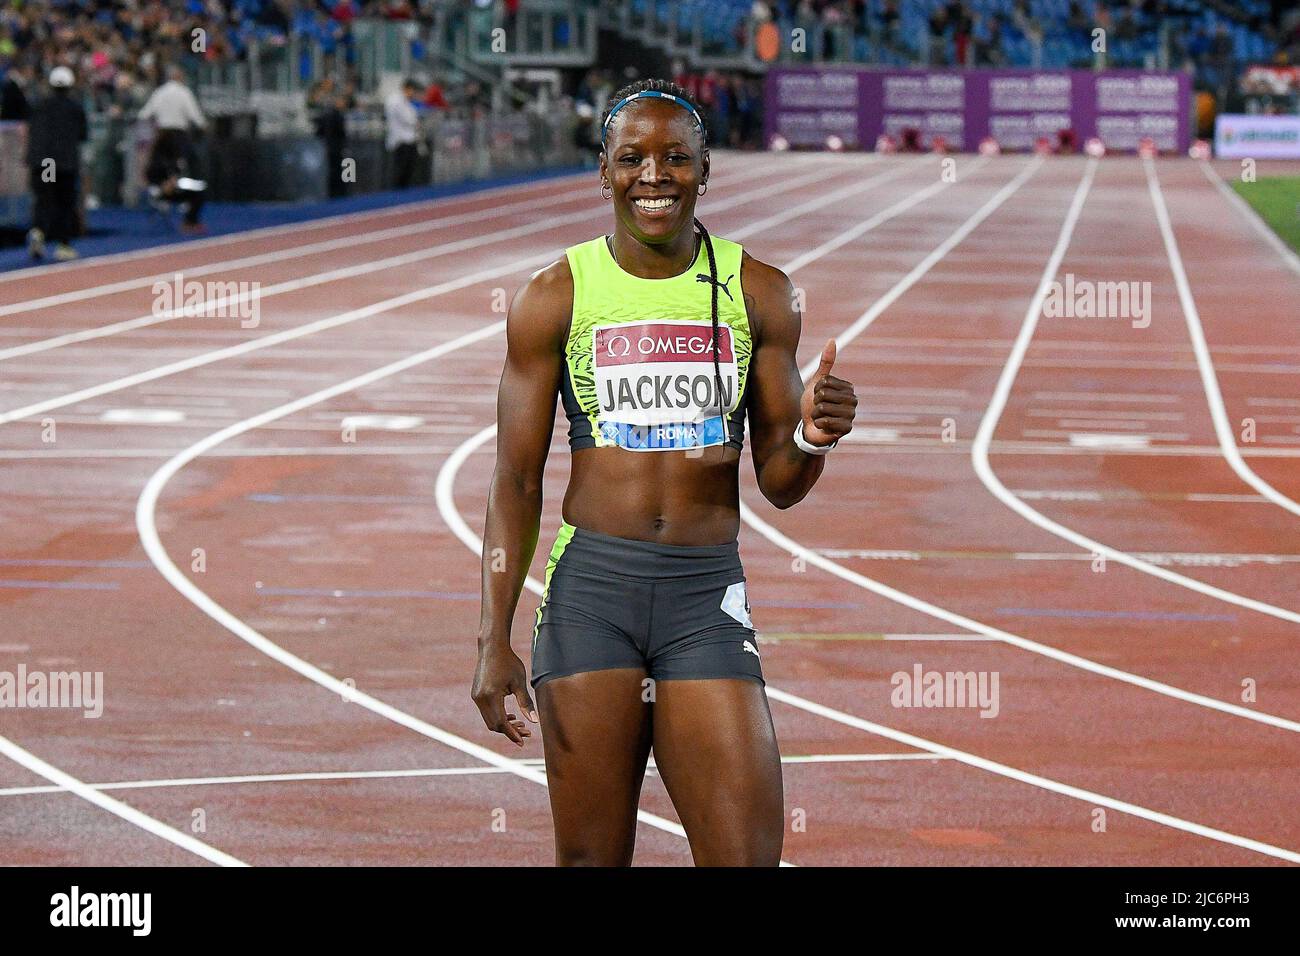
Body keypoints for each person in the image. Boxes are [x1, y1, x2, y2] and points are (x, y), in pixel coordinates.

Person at [470, 79, 858, 866]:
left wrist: (814, 436)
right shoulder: (554, 296)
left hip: (703, 598)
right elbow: (515, 482)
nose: (654, 176)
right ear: (603, 171)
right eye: (633, 159)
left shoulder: (761, 293)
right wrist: (492, 640)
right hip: (591, 596)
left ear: (705, 169)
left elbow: (780, 482)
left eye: (676, 157)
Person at [25, 66, 87, 262]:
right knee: (64, 203)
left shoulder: (39, 105)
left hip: (45, 163)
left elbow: (32, 132)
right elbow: (83, 135)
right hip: (65, 164)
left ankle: (38, 231)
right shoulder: (75, 107)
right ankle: (63, 245)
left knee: (44, 199)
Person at [384, 78, 421, 189]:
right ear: (407, 89)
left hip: (407, 139)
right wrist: (415, 122)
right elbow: (409, 120)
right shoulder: (396, 100)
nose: (413, 93)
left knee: (407, 169)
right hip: (401, 140)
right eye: (413, 90)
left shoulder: (405, 101)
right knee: (401, 170)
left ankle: (402, 192)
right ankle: (397, 194)